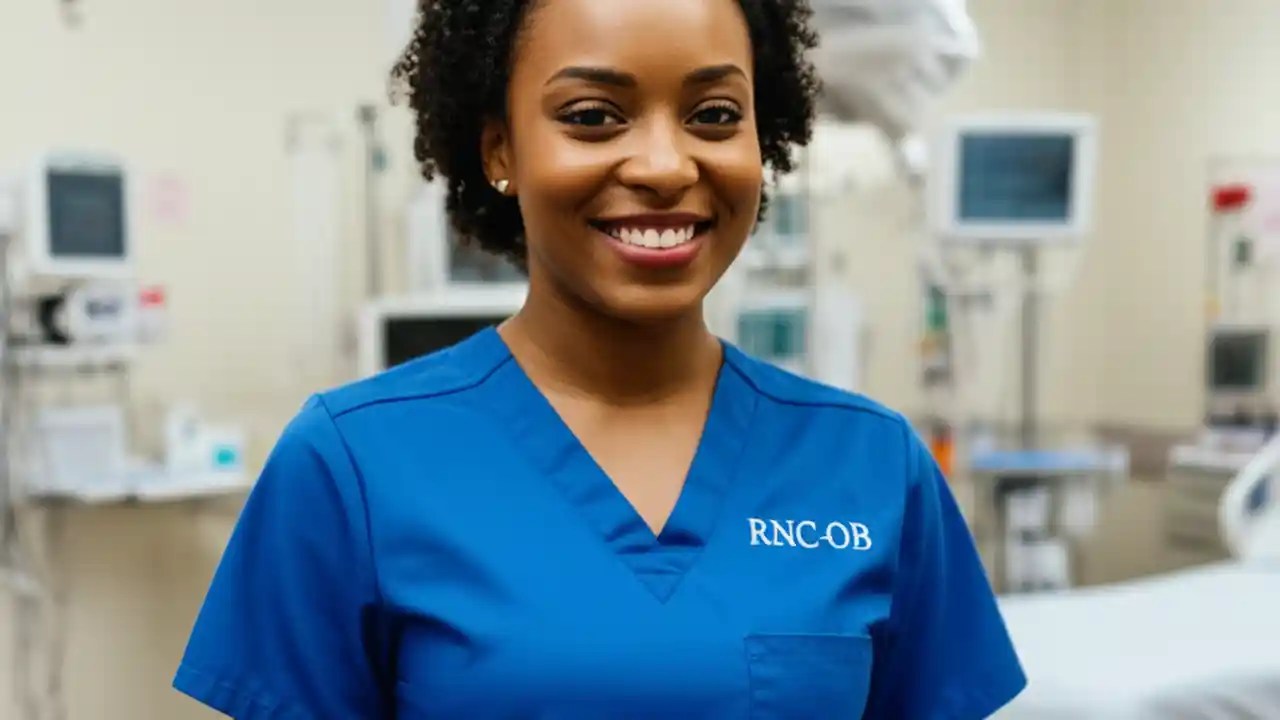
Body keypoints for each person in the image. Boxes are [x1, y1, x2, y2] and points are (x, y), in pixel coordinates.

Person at [173, 0, 1027, 717]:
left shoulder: (873, 466)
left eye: (715, 116)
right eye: (592, 117)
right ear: (499, 149)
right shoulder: (350, 465)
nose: (664, 165)